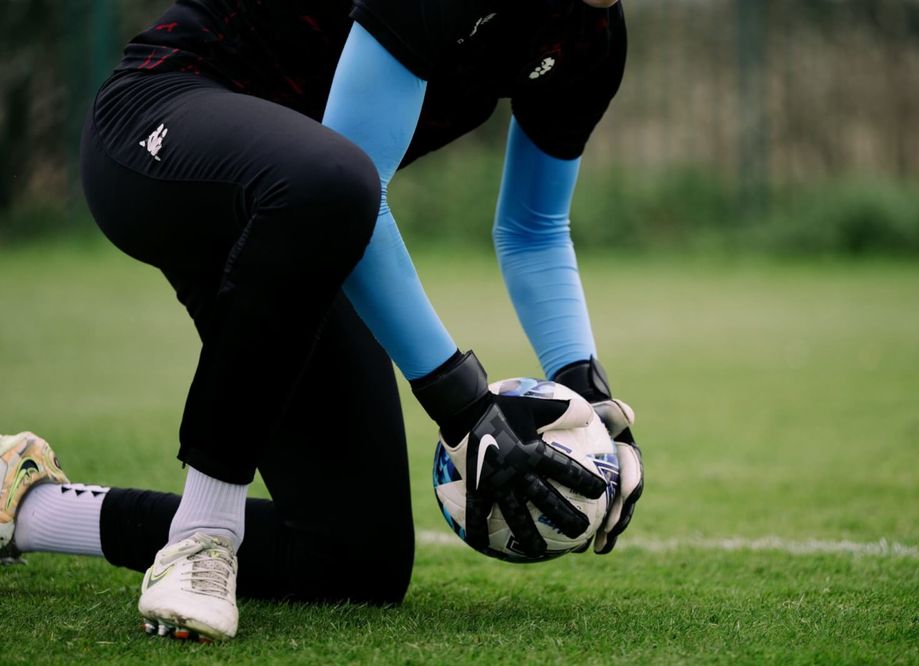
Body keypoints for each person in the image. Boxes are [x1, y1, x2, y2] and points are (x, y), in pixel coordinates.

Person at [0, 0, 644, 642]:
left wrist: (589, 401)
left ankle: (30, 509)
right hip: (161, 117)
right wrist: (466, 406)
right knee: (332, 179)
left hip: (300, 219)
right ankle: (202, 538)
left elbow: (533, 230)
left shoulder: (593, 39)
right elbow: (356, 181)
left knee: (357, 558)